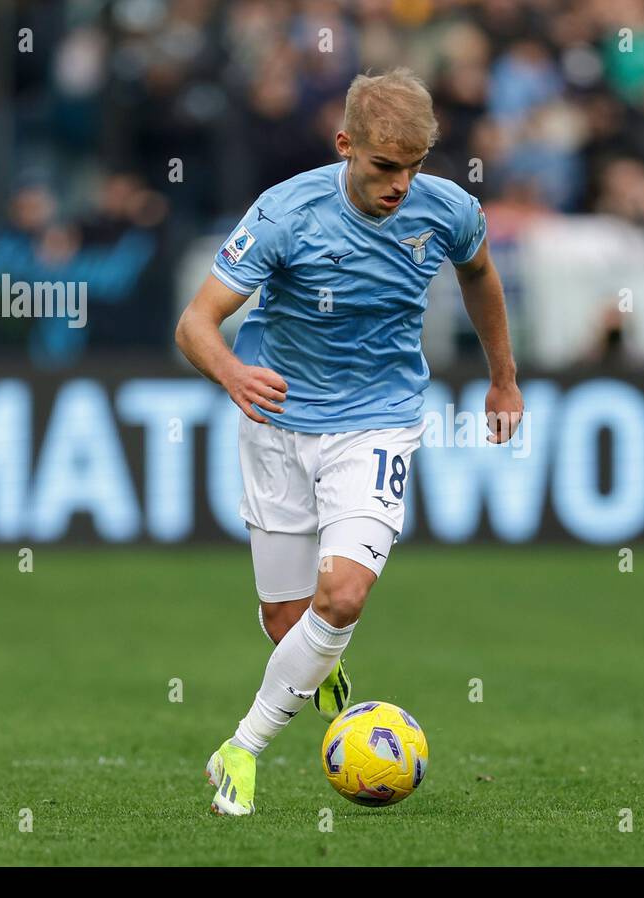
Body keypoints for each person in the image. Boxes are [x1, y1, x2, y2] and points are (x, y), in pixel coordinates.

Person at [175, 68, 523, 815]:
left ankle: (242, 747)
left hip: (377, 423)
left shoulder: (449, 210)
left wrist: (503, 379)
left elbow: (482, 274)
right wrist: (232, 371)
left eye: (415, 167)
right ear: (345, 146)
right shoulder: (285, 213)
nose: (401, 185)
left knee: (343, 594)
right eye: (384, 167)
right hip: (277, 422)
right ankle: (319, 668)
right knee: (285, 621)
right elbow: (195, 323)